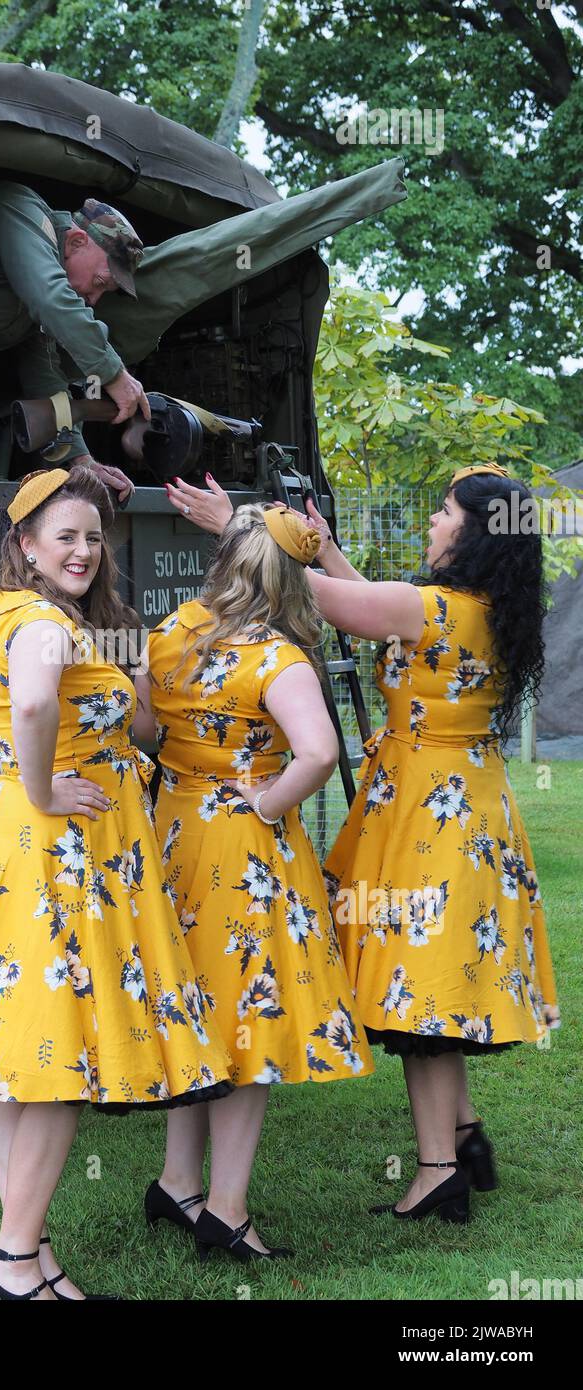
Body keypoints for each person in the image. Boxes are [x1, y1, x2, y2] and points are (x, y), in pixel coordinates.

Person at [163, 464, 560, 1225]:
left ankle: (438, 1170)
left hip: (426, 820)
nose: (433, 523)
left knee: (423, 1000)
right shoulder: (485, 607)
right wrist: (327, 544)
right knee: (431, 981)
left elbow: (314, 596)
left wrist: (240, 529)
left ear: (474, 532)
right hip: (464, 803)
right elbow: (361, 604)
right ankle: (463, 1136)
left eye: (444, 513)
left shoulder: (431, 608)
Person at [0, 463, 233, 1301]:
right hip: (61, 854)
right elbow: (38, 706)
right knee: (54, 1060)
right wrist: (45, 787)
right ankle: (14, 1264)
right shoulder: (45, 623)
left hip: (30, 845)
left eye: (91, 537)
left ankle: (28, 1252)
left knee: (19, 1059)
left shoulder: (14, 613)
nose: (82, 551)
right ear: (25, 547)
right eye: (64, 538)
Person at [135, 503, 374, 1263]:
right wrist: (265, 800)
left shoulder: (173, 630)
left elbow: (143, 725)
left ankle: (177, 1183)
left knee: (197, 1015)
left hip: (173, 835)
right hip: (242, 852)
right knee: (249, 1024)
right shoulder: (276, 658)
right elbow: (317, 752)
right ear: (291, 579)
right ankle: (226, 1210)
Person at [0, 179, 149, 504]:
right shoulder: (22, 211)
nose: (93, 299)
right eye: (98, 282)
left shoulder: (42, 298)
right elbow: (51, 298)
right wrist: (115, 375)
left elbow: (46, 376)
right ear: (77, 241)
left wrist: (82, 461)